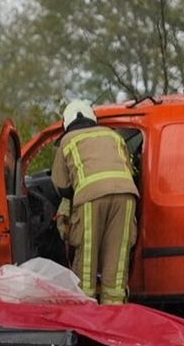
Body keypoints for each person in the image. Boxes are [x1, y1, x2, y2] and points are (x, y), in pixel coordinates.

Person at [51, 100, 138, 305]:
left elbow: (61, 185)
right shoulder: (113, 135)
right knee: (116, 261)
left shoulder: (68, 140)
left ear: (67, 122)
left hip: (90, 198)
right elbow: (129, 167)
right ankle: (114, 312)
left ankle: (85, 310)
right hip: (126, 196)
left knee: (87, 258)